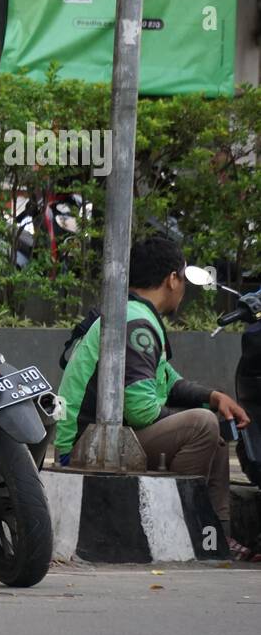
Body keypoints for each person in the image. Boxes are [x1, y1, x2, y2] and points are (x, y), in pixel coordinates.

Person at [54, 235, 253, 559]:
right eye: (182, 277)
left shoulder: (132, 315)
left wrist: (214, 397)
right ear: (172, 279)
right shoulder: (137, 323)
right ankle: (176, 525)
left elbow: (166, 380)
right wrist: (201, 414)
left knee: (214, 431)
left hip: (110, 438)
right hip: (86, 447)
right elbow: (142, 410)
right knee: (203, 426)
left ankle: (215, 535)